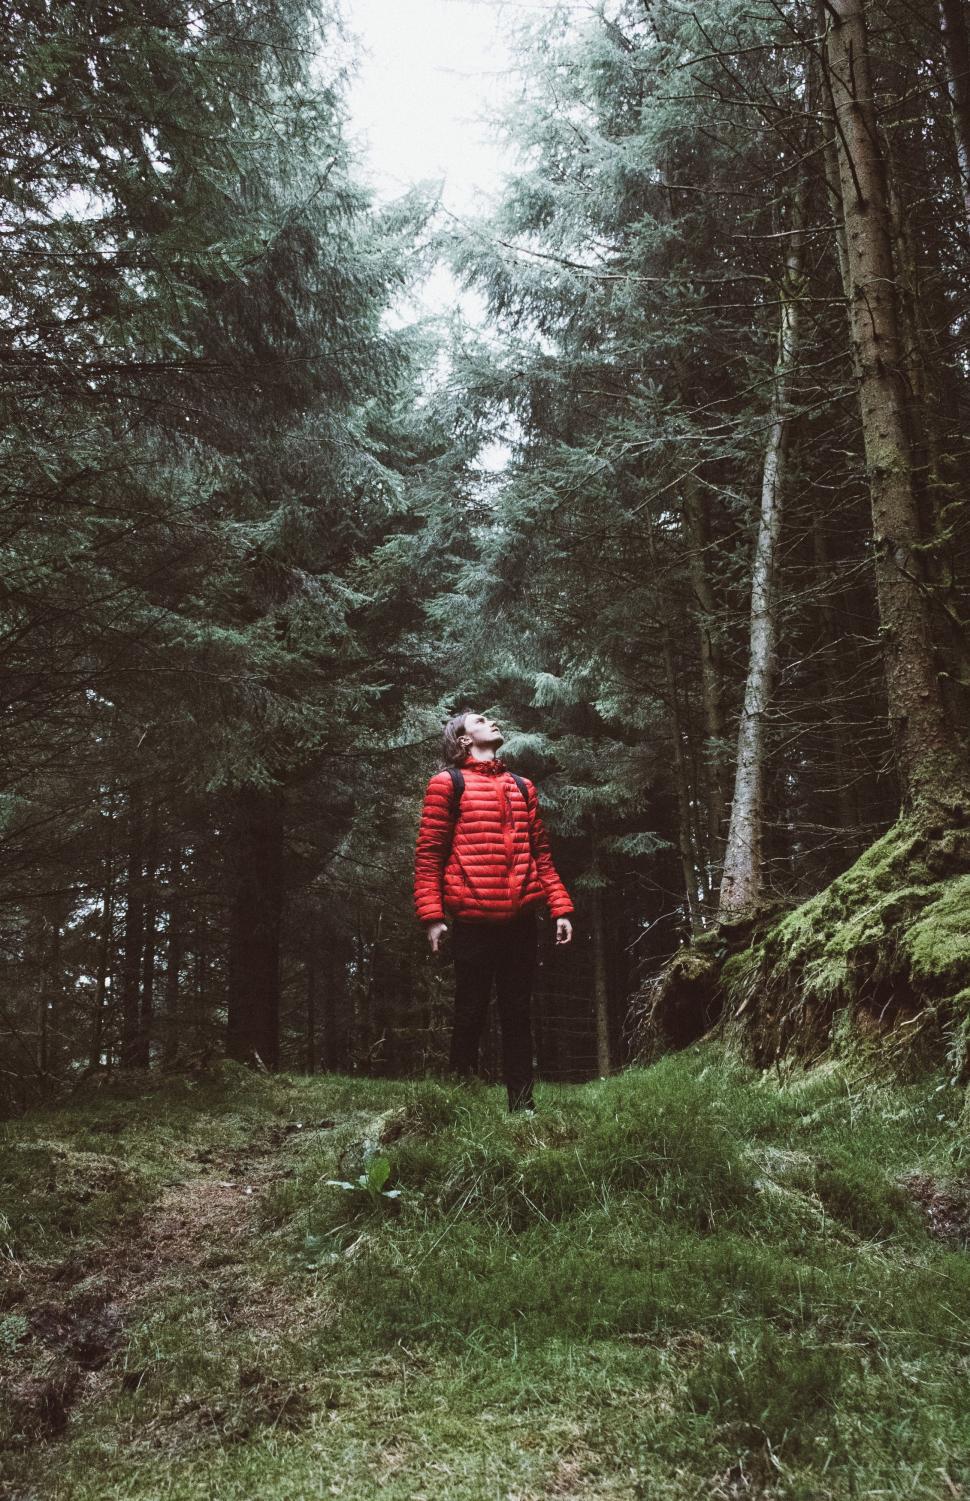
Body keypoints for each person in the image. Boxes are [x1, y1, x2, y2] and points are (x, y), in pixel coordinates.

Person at [413, 709, 574, 1113]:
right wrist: (433, 916)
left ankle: (523, 1108)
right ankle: (454, 1104)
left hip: (520, 922)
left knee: (518, 1015)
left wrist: (560, 909)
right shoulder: (446, 784)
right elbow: (429, 854)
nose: (492, 722)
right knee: (469, 1012)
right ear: (464, 739)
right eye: (481, 720)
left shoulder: (522, 786)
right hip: (472, 920)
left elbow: (542, 856)